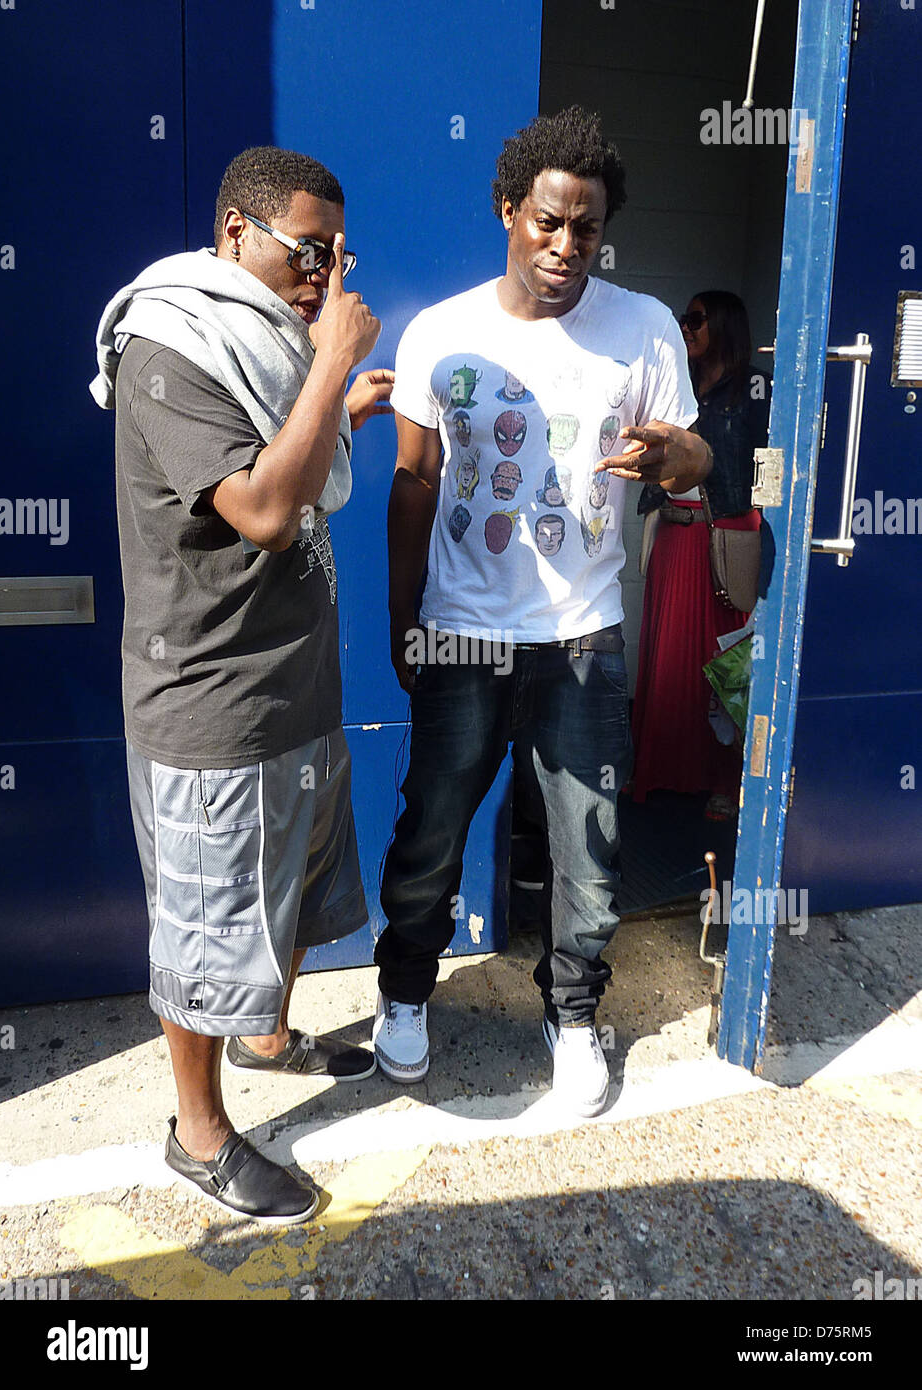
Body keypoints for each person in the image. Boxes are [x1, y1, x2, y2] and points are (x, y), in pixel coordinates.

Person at [372, 106, 711, 1117]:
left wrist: (669, 458)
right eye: (549, 223)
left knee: (591, 852)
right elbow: (414, 486)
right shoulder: (441, 331)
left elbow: (694, 459)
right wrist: (404, 619)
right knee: (430, 830)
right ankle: (402, 997)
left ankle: (572, 1017)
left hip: (581, 641)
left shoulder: (642, 328)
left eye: (588, 229)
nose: (567, 248)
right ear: (507, 209)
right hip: (462, 631)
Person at [90, 146, 393, 1223]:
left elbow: (287, 463)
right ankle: (198, 1132)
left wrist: (339, 404)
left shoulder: (260, 343)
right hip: (214, 706)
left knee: (298, 893)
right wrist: (329, 361)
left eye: (336, 255)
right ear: (234, 233)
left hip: (297, 685)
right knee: (209, 928)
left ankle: (265, 1038)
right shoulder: (171, 347)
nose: (323, 274)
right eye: (306, 250)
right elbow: (265, 509)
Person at [630, 290, 771, 819]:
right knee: (668, 665)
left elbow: (772, 466)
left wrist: (764, 540)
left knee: (721, 664)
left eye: (696, 320)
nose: (685, 329)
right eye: (682, 320)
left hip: (727, 540)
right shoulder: (677, 385)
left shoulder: (757, 389)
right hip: (673, 535)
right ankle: (659, 773)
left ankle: (723, 779)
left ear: (726, 327)